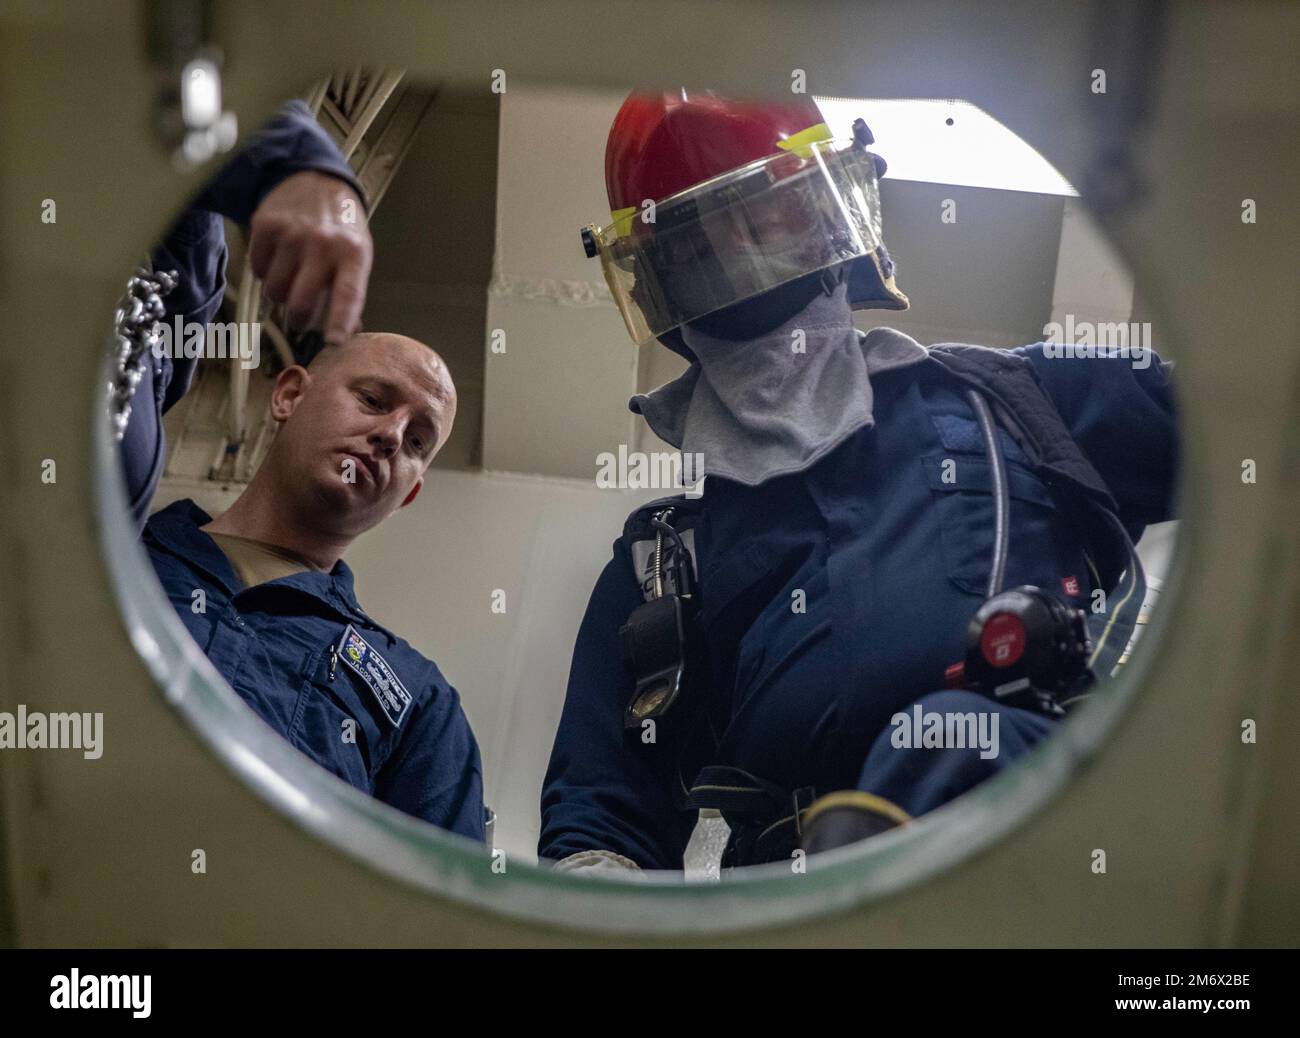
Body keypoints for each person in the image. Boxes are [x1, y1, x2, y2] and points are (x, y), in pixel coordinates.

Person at [538, 90, 1176, 873]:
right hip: (791, 895)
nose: (746, 254)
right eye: (706, 246)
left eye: (769, 218)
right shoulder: (658, 565)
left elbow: (1254, 434)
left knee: (947, 732)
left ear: (831, 217)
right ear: (657, 285)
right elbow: (602, 814)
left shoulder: (1021, 400)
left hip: (1051, 833)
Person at [119, 101, 485, 839]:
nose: (390, 435)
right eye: (374, 399)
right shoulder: (111, 548)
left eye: (417, 439)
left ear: (410, 493)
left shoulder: (418, 701)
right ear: (289, 394)